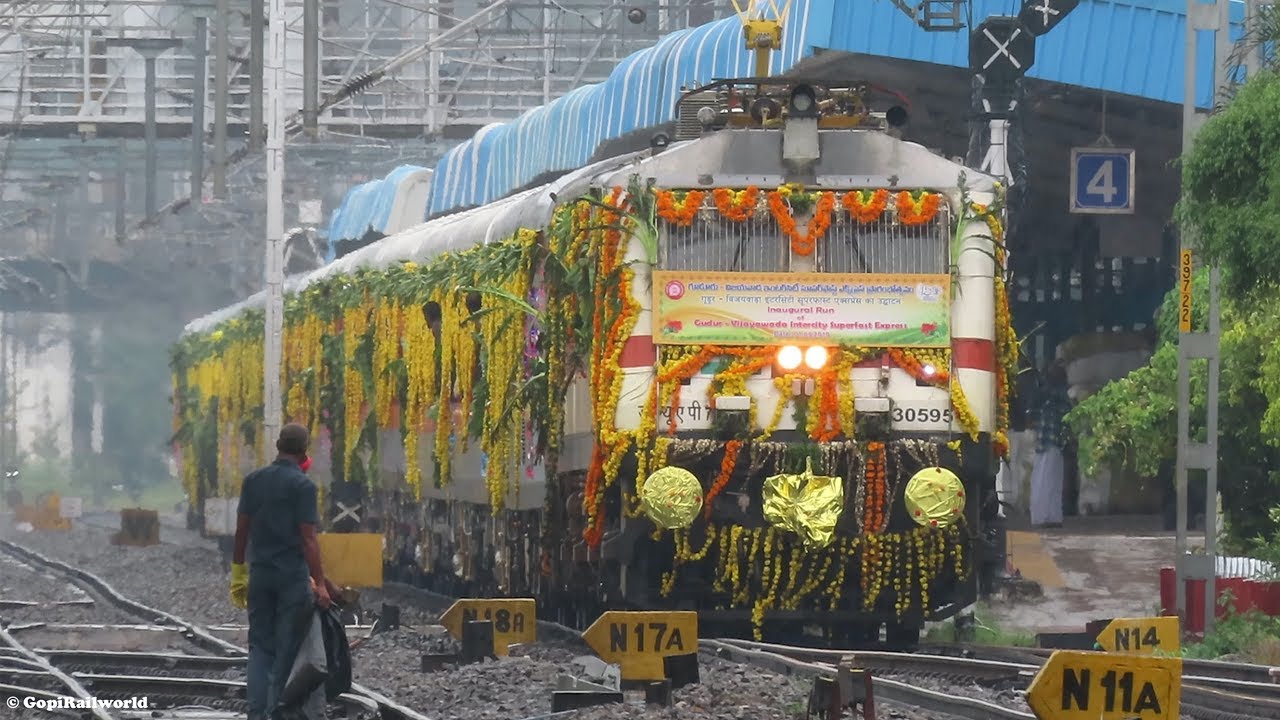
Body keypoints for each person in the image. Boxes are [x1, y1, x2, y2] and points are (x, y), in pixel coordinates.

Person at [229, 423, 337, 720]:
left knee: (260, 647)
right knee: (286, 649)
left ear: (278, 446)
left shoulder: (254, 480)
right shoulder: (303, 486)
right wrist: (321, 584)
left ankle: (257, 713)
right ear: (304, 452)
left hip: (260, 576)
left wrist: (238, 571)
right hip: (291, 579)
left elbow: (241, 531)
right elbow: (308, 540)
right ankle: (275, 711)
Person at [1030, 363, 1072, 528]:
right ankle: (1048, 517)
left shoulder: (1045, 396)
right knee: (1051, 481)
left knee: (1042, 480)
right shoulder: (1059, 397)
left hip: (1044, 443)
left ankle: (1044, 516)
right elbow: (1068, 419)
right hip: (1053, 444)